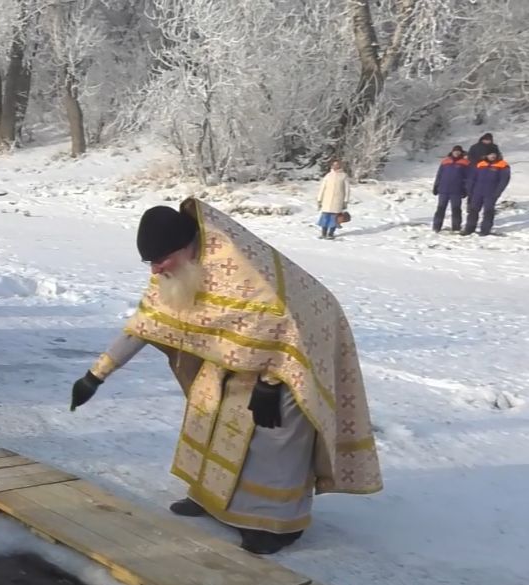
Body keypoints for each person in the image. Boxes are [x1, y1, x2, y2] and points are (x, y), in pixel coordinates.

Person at [70, 200, 382, 554]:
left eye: (161, 261)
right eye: (150, 263)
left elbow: (286, 326)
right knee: (208, 411)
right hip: (236, 353)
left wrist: (270, 382)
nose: (156, 271)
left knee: (271, 437)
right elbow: (144, 325)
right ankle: (208, 498)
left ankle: (277, 525)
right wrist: (95, 376)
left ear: (183, 246)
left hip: (293, 357)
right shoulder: (175, 270)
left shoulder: (240, 268)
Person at [462, 150, 511, 236]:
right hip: (477, 192)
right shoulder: (481, 164)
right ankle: (469, 228)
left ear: (497, 155)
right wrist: (469, 190)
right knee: (473, 210)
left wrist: (497, 193)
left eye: (494, 154)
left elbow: (503, 181)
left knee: (488, 211)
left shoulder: (503, 165)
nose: (492, 156)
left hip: (491, 193)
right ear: (486, 155)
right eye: (490, 154)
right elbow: (472, 178)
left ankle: (485, 230)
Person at [432, 145, 470, 233]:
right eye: (455, 151)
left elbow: (468, 178)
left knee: (456, 209)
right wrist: (436, 186)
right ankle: (436, 226)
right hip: (443, 190)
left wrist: (465, 189)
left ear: (461, 152)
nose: (456, 153)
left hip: (457, 190)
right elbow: (439, 174)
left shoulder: (465, 163)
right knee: (440, 208)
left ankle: (456, 227)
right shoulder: (445, 161)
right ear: (452, 152)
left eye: (458, 151)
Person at [315, 159, 349, 239]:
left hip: (337, 201)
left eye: (337, 164)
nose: (335, 166)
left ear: (340, 165)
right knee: (325, 217)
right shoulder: (328, 176)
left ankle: (331, 234)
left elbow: (347, 189)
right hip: (327, 201)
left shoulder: (343, 176)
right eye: (334, 165)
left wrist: (345, 201)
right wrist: (319, 199)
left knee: (334, 218)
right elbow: (322, 188)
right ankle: (323, 233)